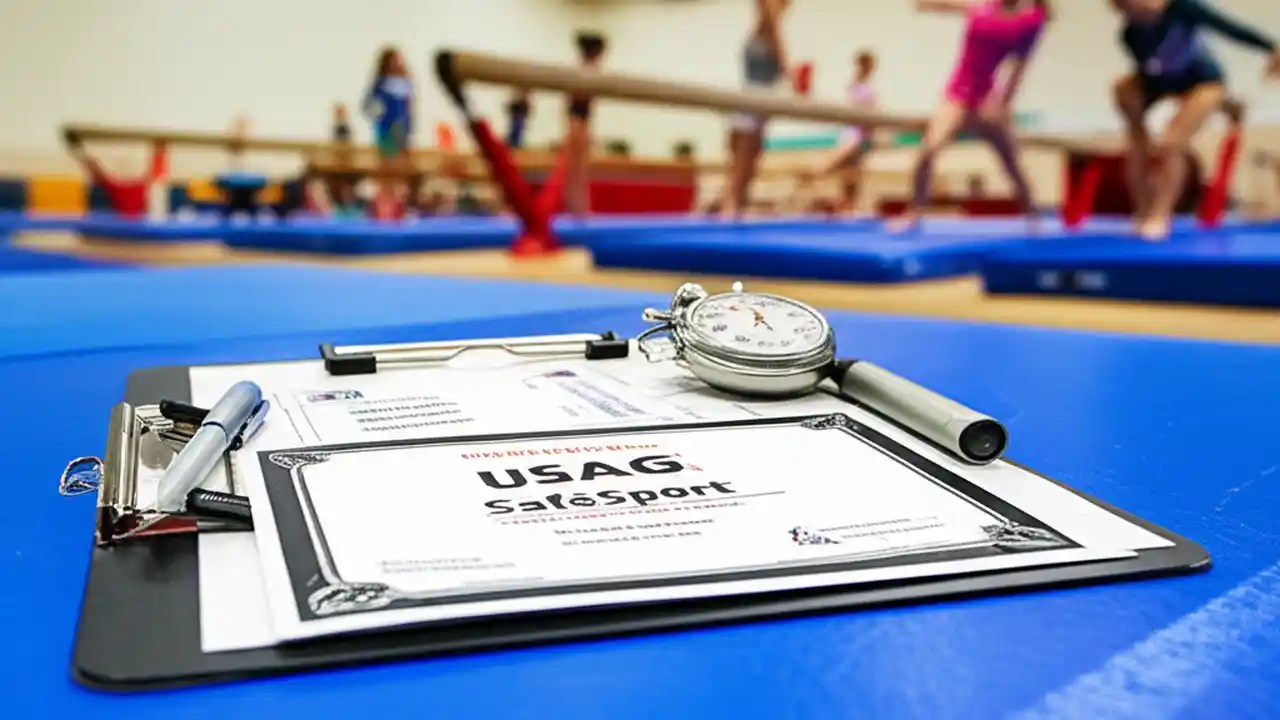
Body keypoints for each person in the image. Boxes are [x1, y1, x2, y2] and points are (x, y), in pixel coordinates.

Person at [1110, 0, 1280, 240]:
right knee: (1127, 106)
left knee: (1171, 143)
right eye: (1122, 8)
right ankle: (1143, 210)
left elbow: (1229, 28)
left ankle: (1159, 215)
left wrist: (1271, 47)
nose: (1129, 12)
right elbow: (1156, 75)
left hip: (1205, 83)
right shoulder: (1130, 35)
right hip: (1167, 83)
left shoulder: (1182, 9)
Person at [892, 0, 1049, 231]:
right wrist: (929, 4)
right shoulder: (984, 7)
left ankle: (1032, 213)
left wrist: (1004, 104)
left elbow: (1019, 66)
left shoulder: (1030, 21)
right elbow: (948, 4)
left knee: (1010, 160)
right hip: (957, 96)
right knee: (929, 150)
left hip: (986, 101)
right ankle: (915, 211)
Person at [720, 0, 792, 218]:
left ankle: (732, 208)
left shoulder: (764, 33)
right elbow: (787, 72)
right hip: (752, 102)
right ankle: (731, 209)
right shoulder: (768, 33)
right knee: (741, 167)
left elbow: (784, 72)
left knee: (742, 167)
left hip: (752, 102)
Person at [797, 50, 879, 214]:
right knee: (850, 169)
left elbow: (866, 111)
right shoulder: (858, 86)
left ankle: (819, 173)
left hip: (858, 134)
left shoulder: (862, 87)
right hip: (854, 133)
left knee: (850, 168)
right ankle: (844, 200)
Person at [65, 129, 166, 218]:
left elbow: (95, 169)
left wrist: (78, 150)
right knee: (96, 170)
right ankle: (77, 147)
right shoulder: (135, 186)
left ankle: (77, 147)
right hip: (127, 218)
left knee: (96, 170)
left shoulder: (132, 186)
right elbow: (95, 170)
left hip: (129, 219)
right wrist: (159, 150)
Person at [564, 32, 607, 217]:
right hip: (577, 120)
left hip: (581, 119)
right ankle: (577, 209)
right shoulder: (585, 71)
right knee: (576, 167)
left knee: (580, 167)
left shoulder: (588, 70)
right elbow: (575, 100)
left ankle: (579, 208)